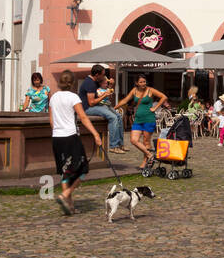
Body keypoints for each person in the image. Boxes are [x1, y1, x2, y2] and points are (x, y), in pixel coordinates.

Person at [48, 70, 103, 215]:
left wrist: (58, 131)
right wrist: (95, 134)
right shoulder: (74, 97)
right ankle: (65, 195)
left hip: (57, 137)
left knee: (65, 171)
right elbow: (83, 117)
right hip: (70, 137)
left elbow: (52, 121)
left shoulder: (53, 97)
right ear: (73, 83)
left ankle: (70, 206)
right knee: (82, 170)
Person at [115, 73, 167, 164]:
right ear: (137, 83)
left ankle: (145, 162)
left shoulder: (150, 90)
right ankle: (150, 155)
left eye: (144, 82)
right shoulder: (134, 91)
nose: (143, 84)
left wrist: (155, 107)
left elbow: (164, 97)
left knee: (146, 141)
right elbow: (125, 100)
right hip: (138, 120)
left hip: (149, 119)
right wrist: (114, 108)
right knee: (133, 140)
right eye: (141, 82)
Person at [79, 65, 124, 154]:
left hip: (96, 105)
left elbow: (105, 91)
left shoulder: (94, 81)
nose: (104, 77)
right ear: (97, 74)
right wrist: (104, 95)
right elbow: (91, 102)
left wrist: (111, 85)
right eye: (103, 75)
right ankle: (113, 146)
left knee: (118, 116)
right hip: (88, 109)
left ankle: (120, 144)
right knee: (113, 117)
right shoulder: (90, 83)